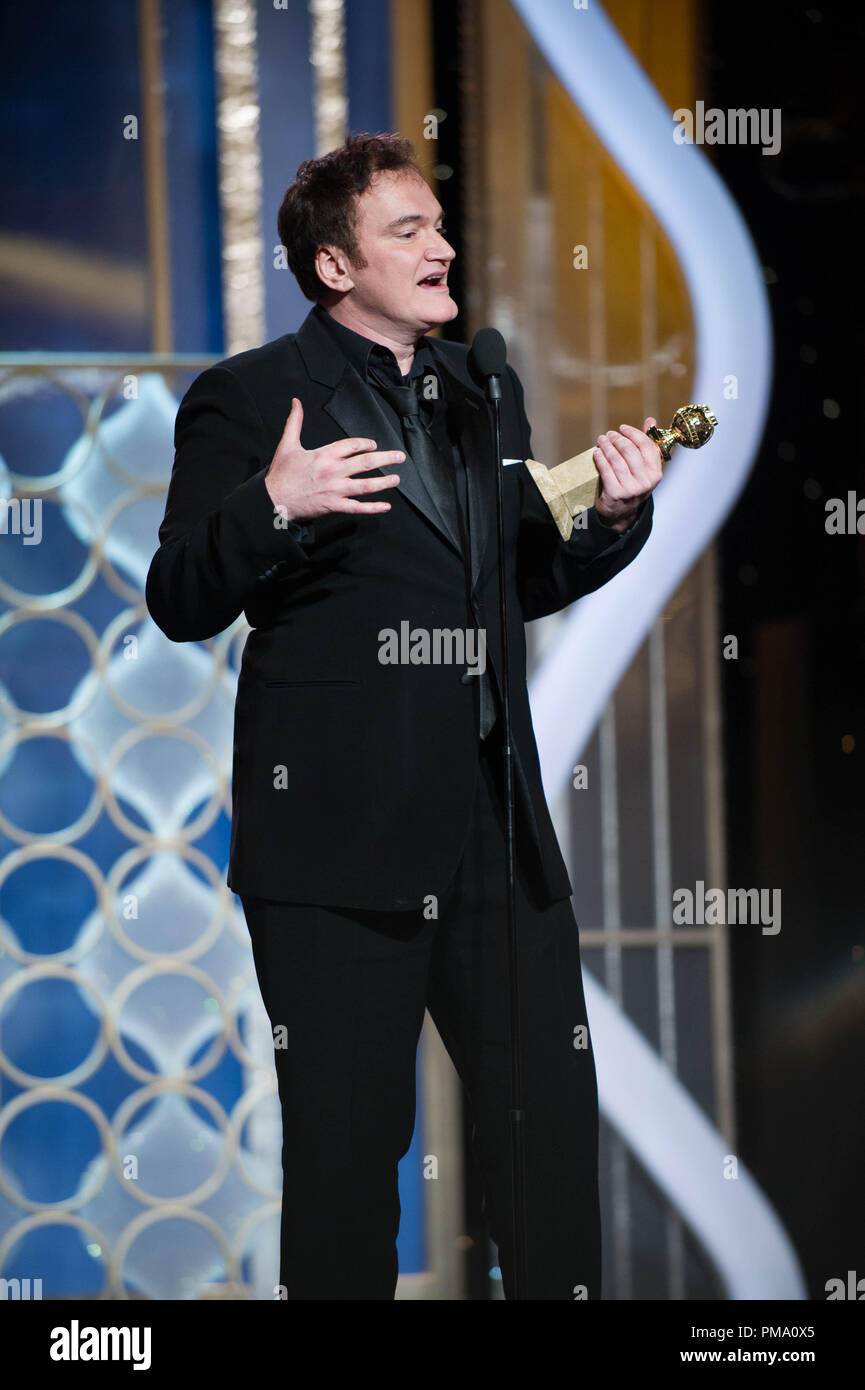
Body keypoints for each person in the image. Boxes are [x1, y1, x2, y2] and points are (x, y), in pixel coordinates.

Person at [145, 132, 662, 1300]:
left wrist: (614, 520)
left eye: (438, 225)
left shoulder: (484, 388)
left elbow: (511, 580)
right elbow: (179, 595)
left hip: (495, 834)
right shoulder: (249, 395)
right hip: (338, 845)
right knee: (345, 1164)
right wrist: (270, 508)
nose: (443, 248)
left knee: (546, 1149)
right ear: (335, 266)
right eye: (409, 231)